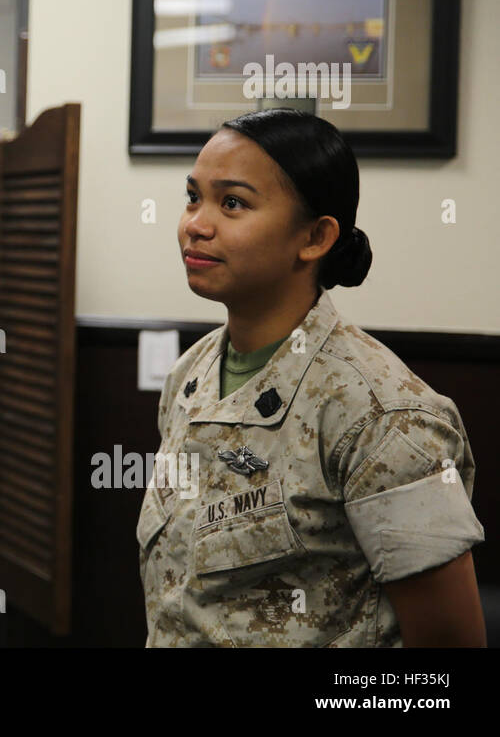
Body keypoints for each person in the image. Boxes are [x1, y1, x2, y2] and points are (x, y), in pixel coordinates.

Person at [138, 108, 485, 647]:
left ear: (316, 236)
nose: (196, 225)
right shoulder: (190, 376)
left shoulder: (382, 414)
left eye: (232, 203)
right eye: (193, 197)